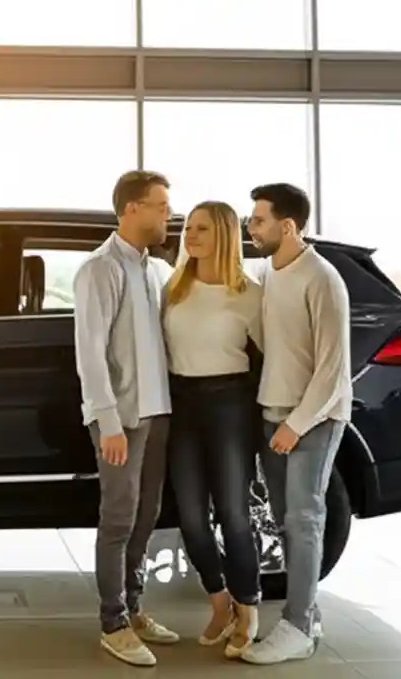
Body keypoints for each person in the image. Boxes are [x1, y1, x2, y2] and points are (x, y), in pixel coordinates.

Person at [73, 170, 181, 668]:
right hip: (122, 419)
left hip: (157, 413)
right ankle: (112, 622)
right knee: (118, 518)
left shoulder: (156, 270)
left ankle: (134, 608)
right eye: (160, 205)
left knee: (147, 515)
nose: (168, 214)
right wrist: (108, 421)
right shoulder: (100, 269)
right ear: (130, 209)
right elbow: (90, 354)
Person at [240, 183, 352, 665]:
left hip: (315, 419)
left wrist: (297, 425)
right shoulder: (267, 272)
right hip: (272, 413)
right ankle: (306, 613)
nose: (251, 226)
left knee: (304, 520)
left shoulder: (322, 279)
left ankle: (296, 625)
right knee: (287, 522)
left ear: (287, 226)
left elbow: (333, 369)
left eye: (258, 219)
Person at [160, 201, 264, 659]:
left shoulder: (250, 293)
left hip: (229, 404)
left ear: (222, 233)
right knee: (191, 519)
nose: (189, 235)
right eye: (187, 227)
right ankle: (219, 601)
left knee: (234, 515)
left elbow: (271, 358)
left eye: (201, 228)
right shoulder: (174, 286)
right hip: (181, 403)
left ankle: (250, 611)